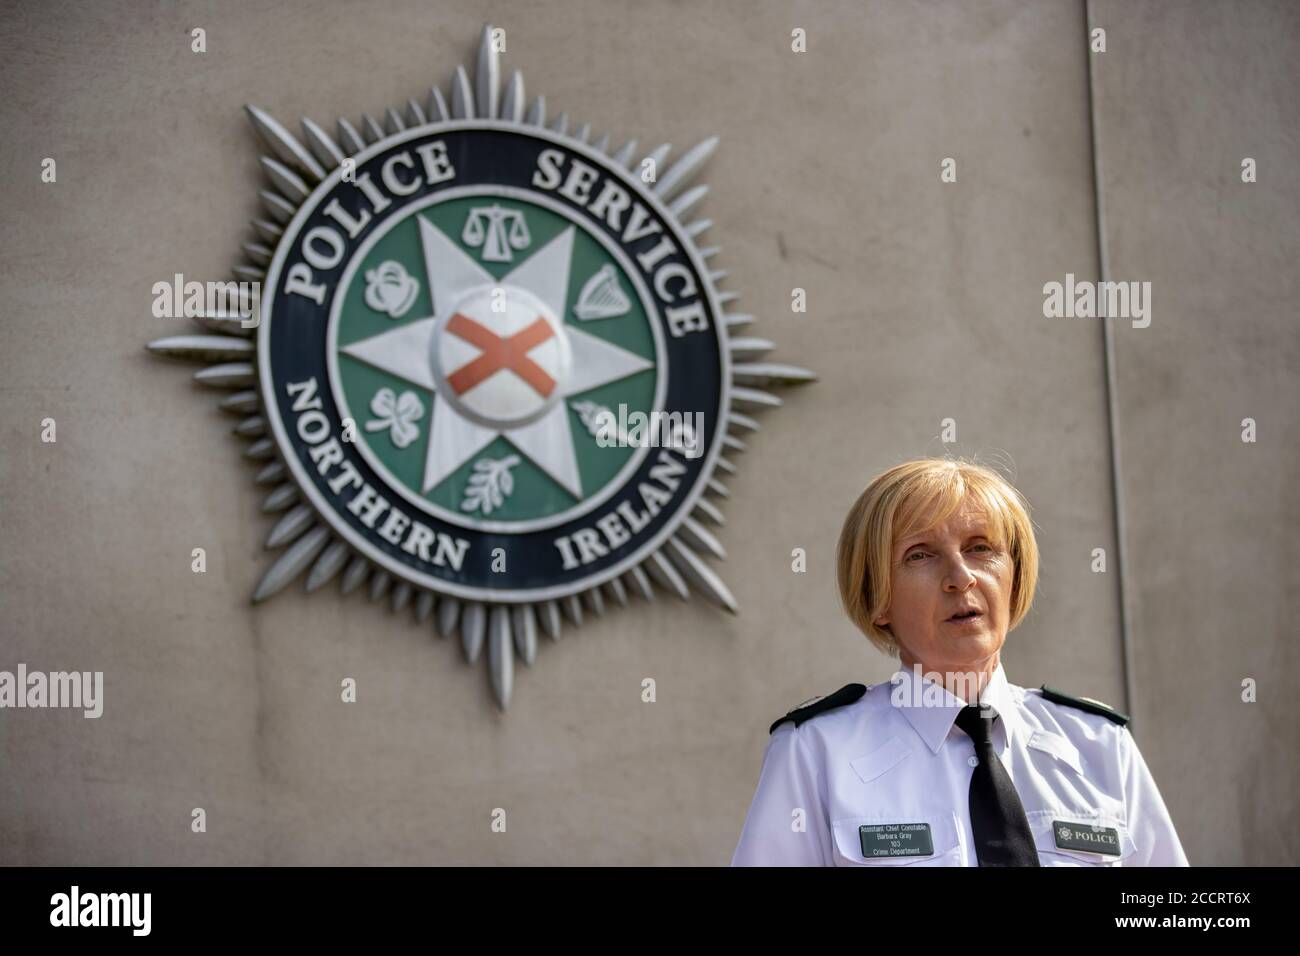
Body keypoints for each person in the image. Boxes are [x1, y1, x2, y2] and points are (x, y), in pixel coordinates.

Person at [731, 457, 1188, 866]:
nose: (960, 577)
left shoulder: (1098, 746)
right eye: (921, 555)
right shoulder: (816, 752)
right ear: (878, 599)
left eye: (980, 548)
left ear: (1014, 577)